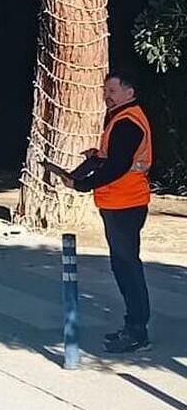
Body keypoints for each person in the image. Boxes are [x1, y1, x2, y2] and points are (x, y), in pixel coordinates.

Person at [60, 74, 153, 353]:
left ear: (129, 91)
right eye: (104, 90)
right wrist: (90, 164)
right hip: (118, 201)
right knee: (123, 265)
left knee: (127, 266)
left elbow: (117, 166)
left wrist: (83, 184)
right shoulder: (120, 117)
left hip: (126, 202)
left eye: (112, 90)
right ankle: (133, 326)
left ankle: (137, 330)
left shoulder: (127, 121)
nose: (106, 94)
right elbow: (109, 158)